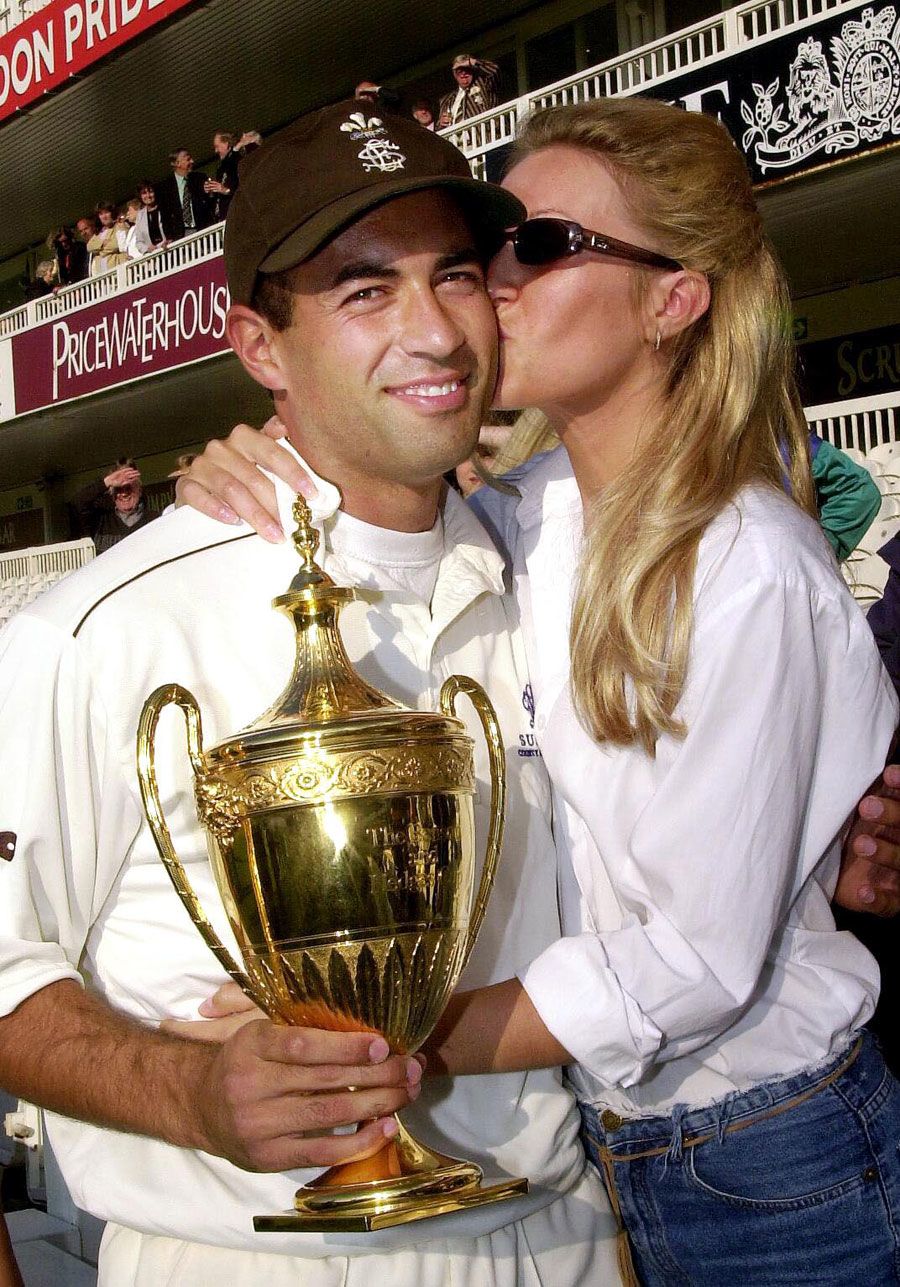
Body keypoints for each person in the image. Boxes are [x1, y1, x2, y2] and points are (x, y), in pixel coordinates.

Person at [179, 97, 900, 1283]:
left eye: (549, 246)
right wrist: (264, 451)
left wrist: (373, 1036)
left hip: (780, 1162)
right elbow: (374, 489)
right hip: (620, 1158)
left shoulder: (745, 562)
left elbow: (696, 965)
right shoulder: (523, 516)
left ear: (675, 299)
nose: (499, 284)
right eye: (496, 248)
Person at [0, 102, 613, 1286]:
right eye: (364, 293)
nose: (434, 334)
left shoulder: (553, 565)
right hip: (263, 1257)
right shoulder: (105, 627)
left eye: (454, 277)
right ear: (260, 347)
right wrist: (186, 1090)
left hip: (559, 1231)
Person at [70, 457, 155, 553]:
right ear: (112, 493)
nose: (124, 494)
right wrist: (106, 482)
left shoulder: (155, 520)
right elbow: (77, 503)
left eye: (128, 488)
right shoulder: (100, 520)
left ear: (139, 489)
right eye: (118, 489)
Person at [156, 147, 214, 241]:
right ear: (176, 163)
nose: (192, 161)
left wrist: (209, 193)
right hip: (181, 235)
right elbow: (165, 216)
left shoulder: (200, 178)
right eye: (188, 159)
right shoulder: (165, 188)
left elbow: (209, 203)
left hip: (203, 231)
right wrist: (170, 238)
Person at [438, 55, 501, 129]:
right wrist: (440, 123)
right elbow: (438, 129)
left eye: (467, 69)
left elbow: (494, 70)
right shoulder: (446, 100)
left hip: (483, 136)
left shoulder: (483, 84)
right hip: (454, 139)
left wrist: (472, 62)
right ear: (454, 74)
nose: (463, 73)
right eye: (460, 71)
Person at [85, 202, 130, 276]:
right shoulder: (99, 232)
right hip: (101, 272)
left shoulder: (120, 225)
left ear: (112, 213)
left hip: (117, 268)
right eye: (101, 214)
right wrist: (102, 243)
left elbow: (116, 245)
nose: (104, 216)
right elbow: (89, 246)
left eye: (106, 212)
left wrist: (100, 252)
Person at [205, 131, 241, 222]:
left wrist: (226, 190)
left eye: (217, 146)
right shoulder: (220, 169)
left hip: (236, 213)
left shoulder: (238, 161)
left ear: (226, 144)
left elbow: (243, 186)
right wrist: (211, 191)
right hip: (222, 216)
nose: (216, 151)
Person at [133, 180, 168, 255]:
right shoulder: (140, 216)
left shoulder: (165, 208)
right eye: (144, 193)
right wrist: (147, 249)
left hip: (168, 249)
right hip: (154, 255)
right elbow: (139, 241)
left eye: (150, 192)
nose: (148, 196)